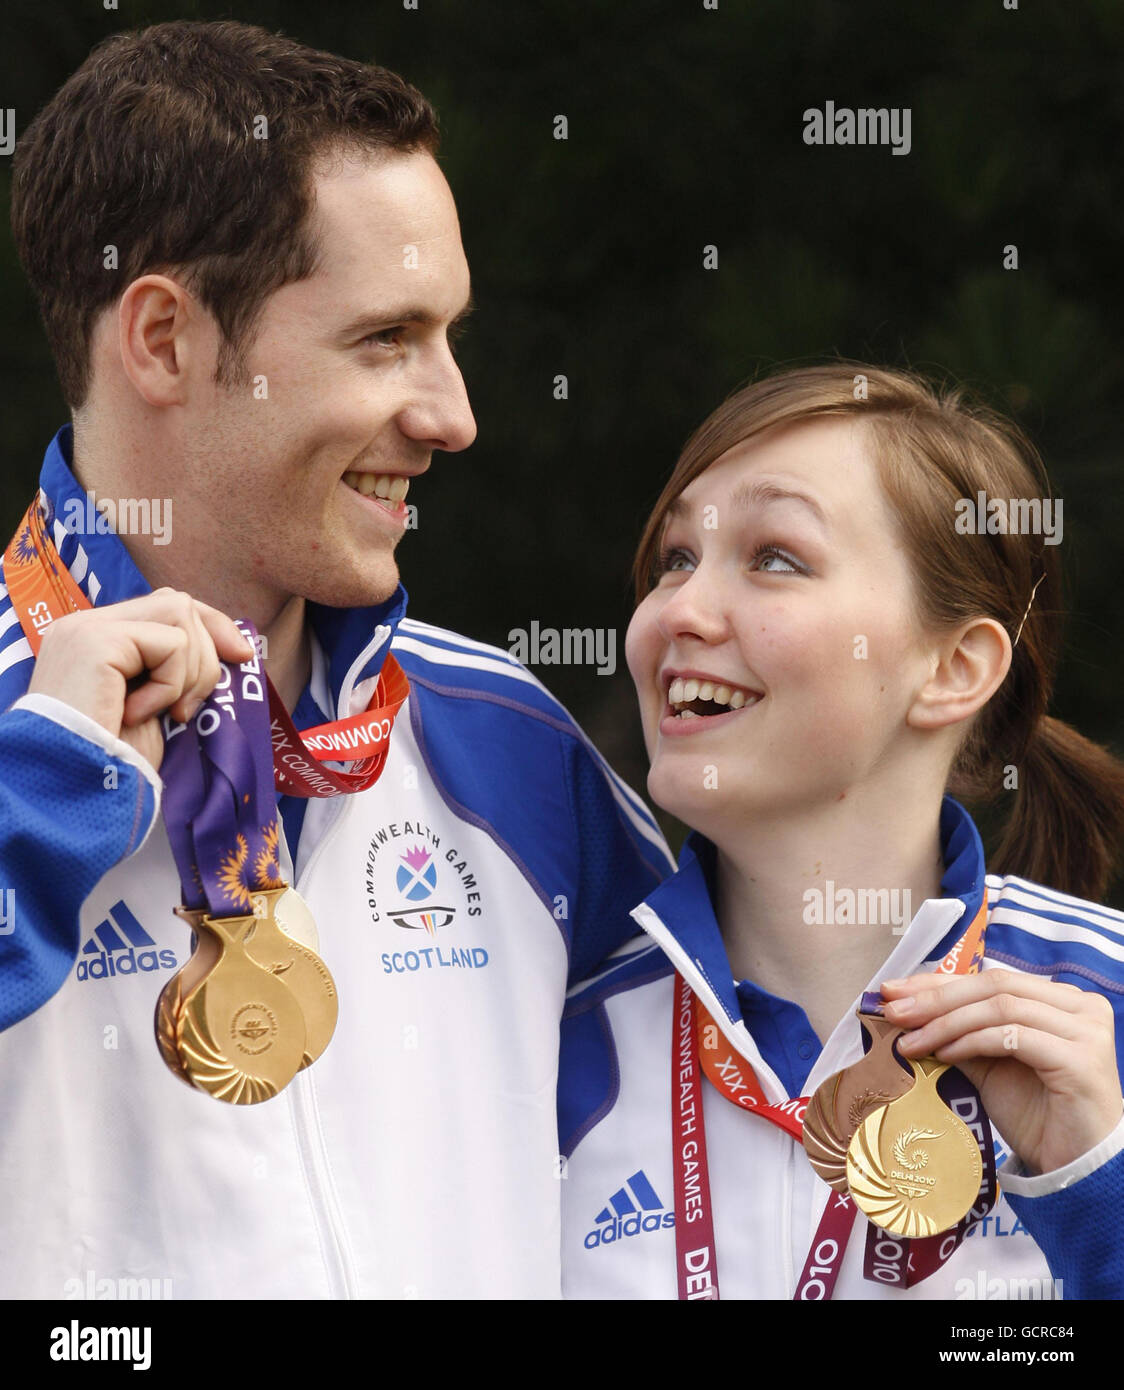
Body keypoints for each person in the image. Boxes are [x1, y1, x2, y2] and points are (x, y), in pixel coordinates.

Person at [0, 19, 671, 1300]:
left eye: (449, 336)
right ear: (162, 341)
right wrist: (35, 805)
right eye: (383, 340)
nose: (453, 415)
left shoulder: (515, 746)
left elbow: (749, 1159)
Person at [559, 363, 1124, 1300]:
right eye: (675, 559)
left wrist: (1096, 1184)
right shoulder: (551, 1036)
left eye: (774, 557)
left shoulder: (1105, 1017)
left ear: (953, 668)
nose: (678, 613)